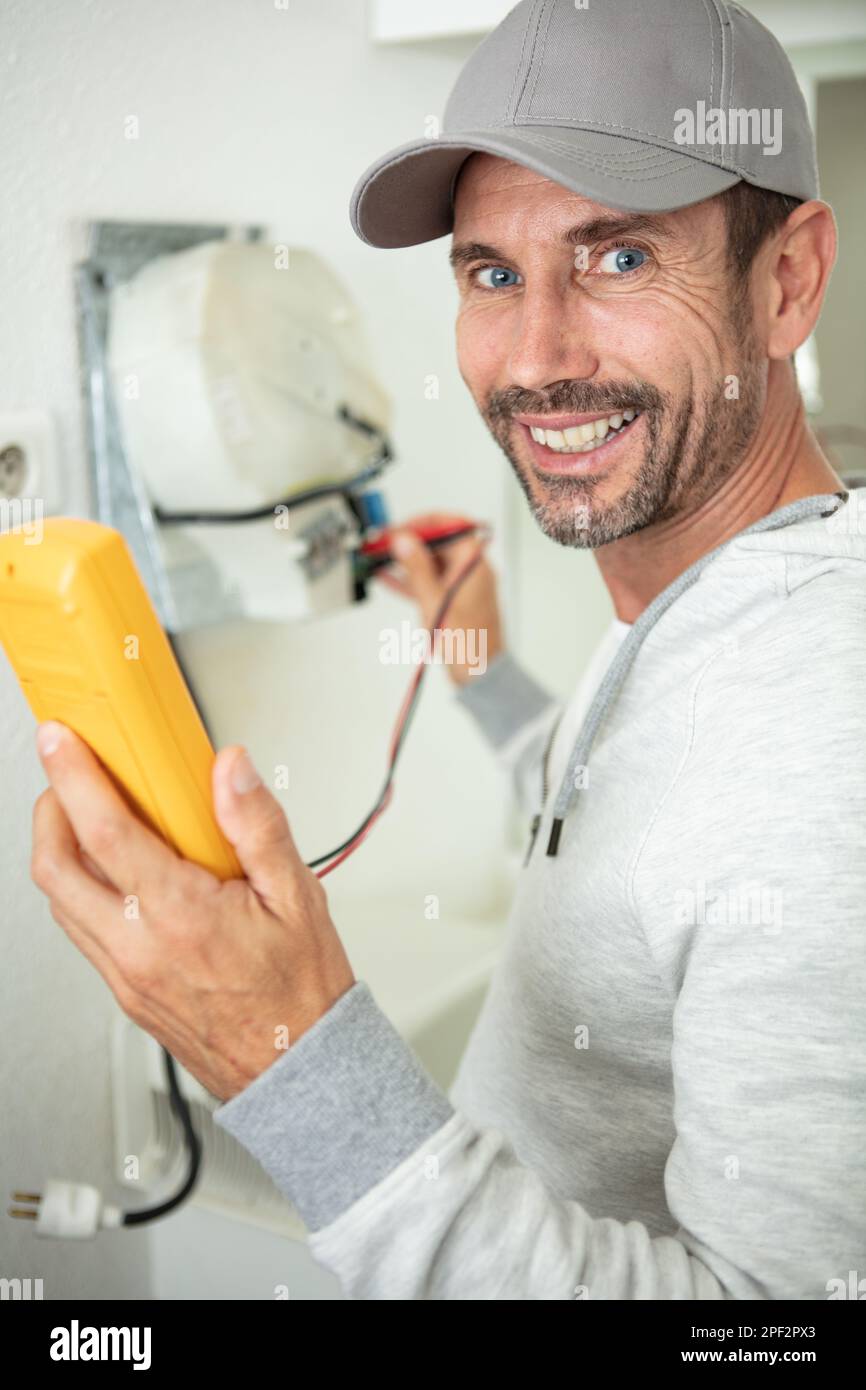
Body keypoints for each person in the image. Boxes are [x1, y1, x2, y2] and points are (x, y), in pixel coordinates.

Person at [30, 0, 866, 1299]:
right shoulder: (722, 606)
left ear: (787, 281)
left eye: (620, 259)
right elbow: (644, 836)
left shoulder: (824, 744)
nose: (534, 358)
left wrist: (289, 1055)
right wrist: (478, 667)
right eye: (490, 273)